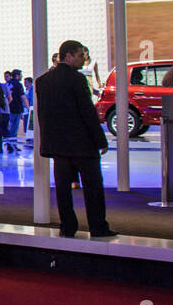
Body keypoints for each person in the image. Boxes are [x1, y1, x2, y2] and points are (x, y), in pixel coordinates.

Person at [36, 40, 115, 238]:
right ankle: (97, 227)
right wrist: (100, 140)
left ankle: (68, 226)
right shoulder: (77, 79)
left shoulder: (43, 81)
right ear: (68, 55)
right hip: (82, 144)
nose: (84, 59)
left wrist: (48, 143)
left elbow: (43, 115)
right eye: (81, 55)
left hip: (58, 146)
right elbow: (87, 112)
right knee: (93, 187)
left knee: (63, 189)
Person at [7, 69, 26, 151]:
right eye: (20, 75)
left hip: (9, 109)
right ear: (17, 75)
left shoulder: (8, 84)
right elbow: (22, 97)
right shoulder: (18, 85)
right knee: (14, 128)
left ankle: (9, 144)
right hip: (17, 109)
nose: (21, 77)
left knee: (10, 127)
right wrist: (27, 107)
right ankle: (12, 145)